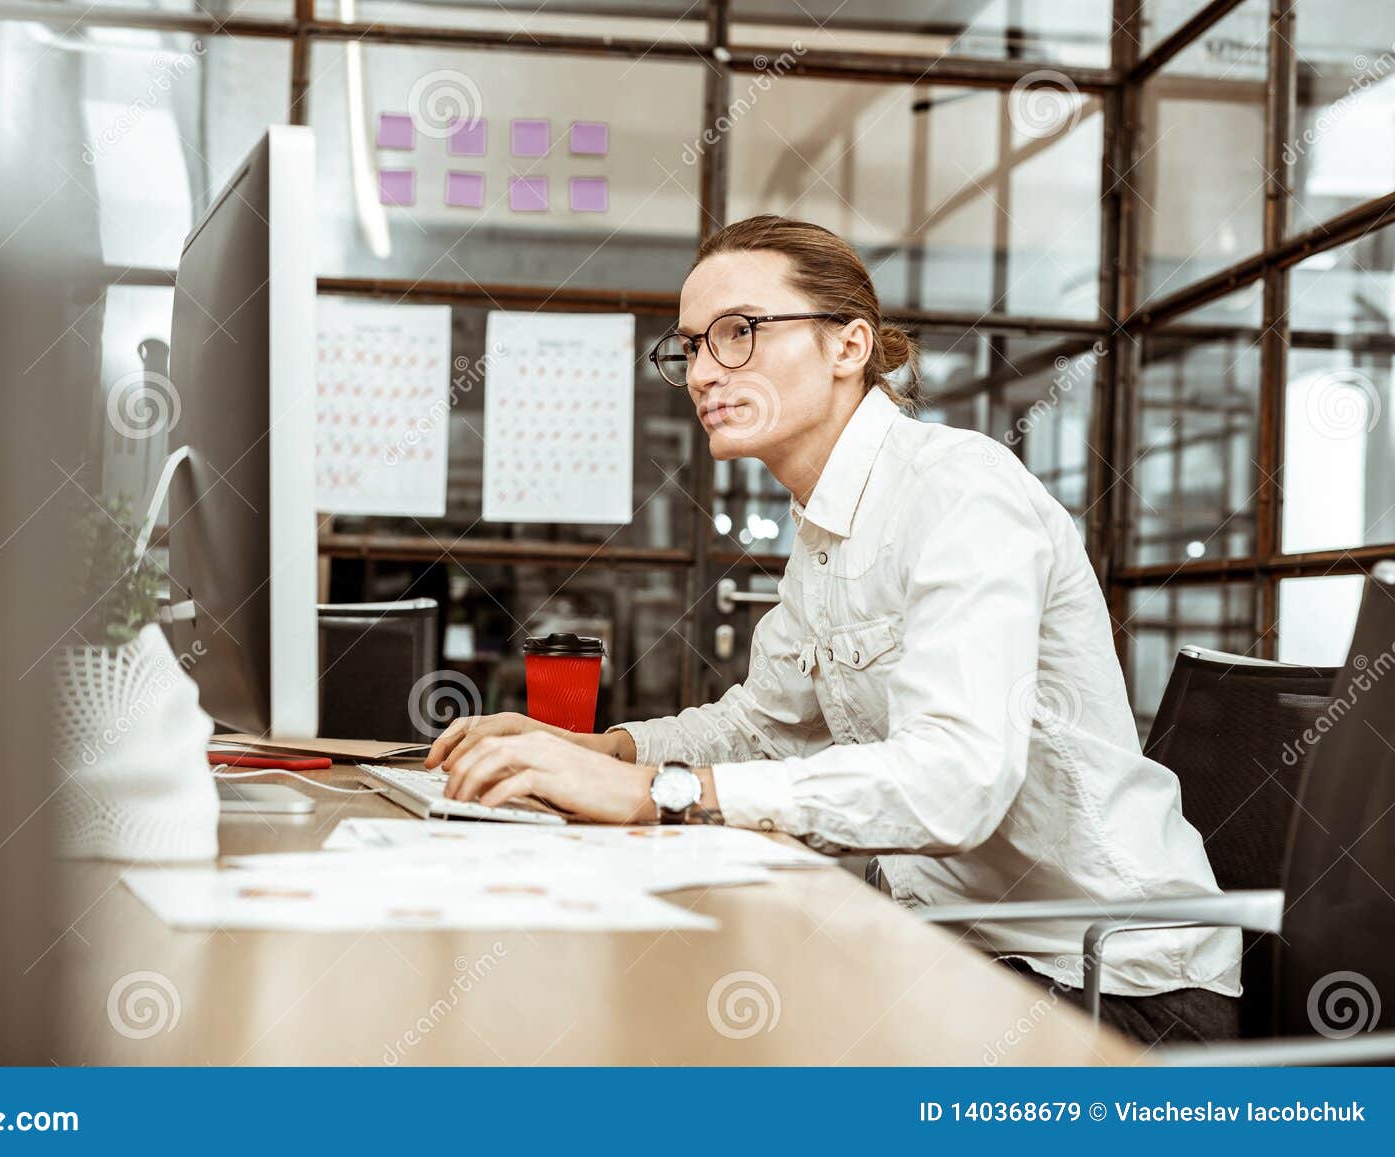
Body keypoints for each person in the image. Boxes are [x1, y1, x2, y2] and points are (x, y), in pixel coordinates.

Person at [425, 214, 1241, 1043]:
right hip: (962, 950)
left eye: (738, 333)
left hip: (1115, 986)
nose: (705, 370)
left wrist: (660, 793)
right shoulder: (822, 531)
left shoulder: (960, 493)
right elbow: (758, 726)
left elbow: (954, 780)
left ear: (849, 347)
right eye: (692, 346)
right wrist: (603, 751)